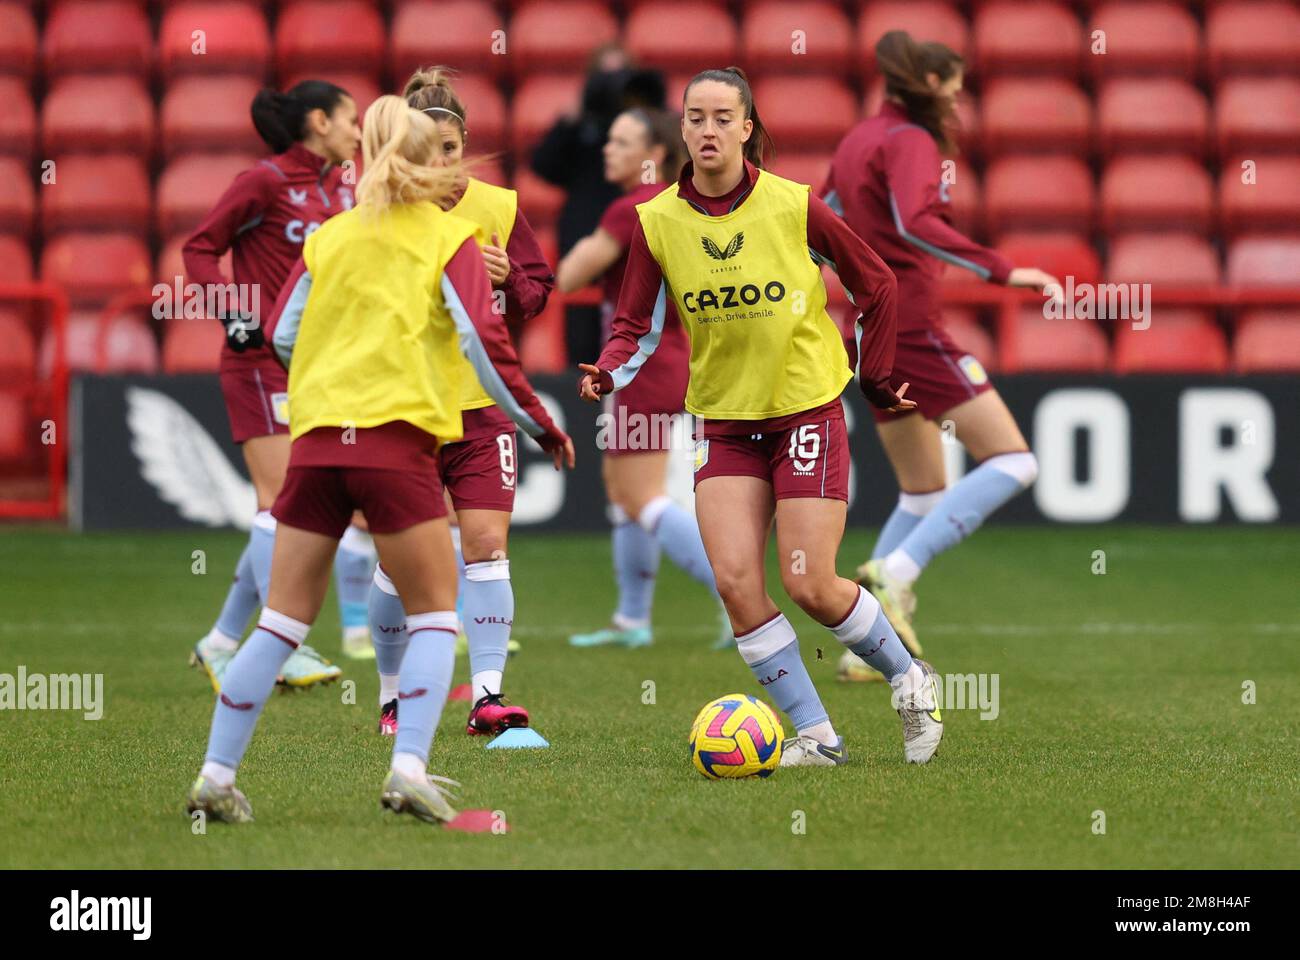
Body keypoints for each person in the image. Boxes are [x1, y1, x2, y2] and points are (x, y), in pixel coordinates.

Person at [185, 96, 574, 825]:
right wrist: (538, 422)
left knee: (279, 623)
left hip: (317, 445)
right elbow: (483, 345)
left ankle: (215, 774)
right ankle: (408, 771)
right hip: (396, 448)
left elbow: (282, 333)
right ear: (431, 160)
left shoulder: (329, 237)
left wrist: (334, 379)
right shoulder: (449, 238)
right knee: (434, 615)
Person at [578, 68, 943, 766]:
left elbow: (877, 283)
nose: (708, 129)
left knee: (809, 581)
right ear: (681, 129)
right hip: (723, 420)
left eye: (723, 117)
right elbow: (635, 325)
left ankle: (909, 681)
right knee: (738, 583)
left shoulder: (795, 205)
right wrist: (609, 369)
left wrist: (876, 375)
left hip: (805, 409)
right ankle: (820, 738)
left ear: (747, 129)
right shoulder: (657, 220)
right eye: (696, 117)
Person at [822, 31, 1058, 677]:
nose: (958, 93)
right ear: (928, 84)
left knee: (923, 491)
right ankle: (896, 572)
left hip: (869, 332)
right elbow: (912, 222)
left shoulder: (857, 140)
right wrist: (1002, 270)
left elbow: (823, 220)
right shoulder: (910, 142)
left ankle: (868, 651)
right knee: (1015, 461)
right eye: (952, 81)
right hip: (915, 328)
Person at [365, 66, 557, 739]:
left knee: (484, 544)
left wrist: (509, 281)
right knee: (400, 563)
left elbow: (538, 289)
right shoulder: (381, 213)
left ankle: (486, 697)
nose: (442, 163)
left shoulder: (498, 207)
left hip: (481, 407)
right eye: (427, 150)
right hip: (409, 408)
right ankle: (391, 697)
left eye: (451, 149)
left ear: (466, 146)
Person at [183, 80, 374, 688]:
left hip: (316, 366)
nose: (358, 130)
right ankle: (282, 641)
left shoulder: (344, 186)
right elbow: (199, 248)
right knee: (280, 502)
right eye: (350, 119)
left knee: (288, 504)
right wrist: (232, 311)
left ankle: (219, 643)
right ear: (319, 122)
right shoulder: (263, 181)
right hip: (260, 361)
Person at [558, 107, 729, 649]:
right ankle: (632, 619)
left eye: (621, 141)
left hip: (639, 366)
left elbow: (568, 275)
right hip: (675, 359)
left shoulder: (631, 208)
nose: (608, 149)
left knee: (641, 498)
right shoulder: (680, 204)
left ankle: (737, 594)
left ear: (653, 155)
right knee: (626, 496)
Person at [531, 42, 667, 365]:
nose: (611, 150)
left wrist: (646, 110)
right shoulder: (581, 126)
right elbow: (543, 165)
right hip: (586, 226)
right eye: (606, 77)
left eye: (622, 77)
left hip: (633, 230)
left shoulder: (648, 141)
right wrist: (574, 117)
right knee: (582, 331)